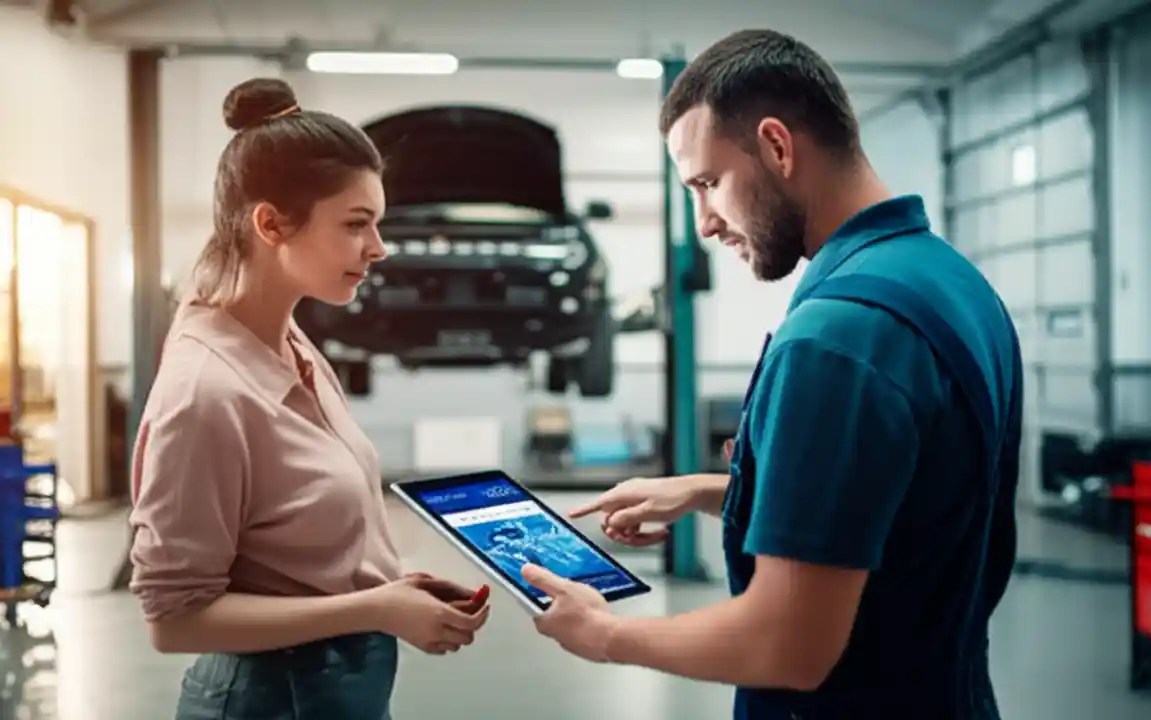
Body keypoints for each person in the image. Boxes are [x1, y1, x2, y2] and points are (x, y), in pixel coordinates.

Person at [520, 29, 1023, 719]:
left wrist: (605, 634)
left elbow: (787, 643)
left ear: (778, 146)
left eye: (707, 184)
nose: (703, 223)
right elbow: (898, 497)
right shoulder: (951, 282)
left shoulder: (837, 336)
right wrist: (703, 490)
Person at [127, 78, 490, 720]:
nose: (378, 248)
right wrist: (375, 607)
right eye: (357, 225)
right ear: (270, 223)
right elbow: (175, 619)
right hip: (271, 699)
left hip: (325, 687)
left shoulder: (285, 338)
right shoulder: (206, 393)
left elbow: (288, 544)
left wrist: (386, 586)